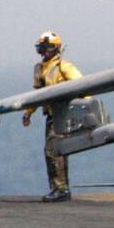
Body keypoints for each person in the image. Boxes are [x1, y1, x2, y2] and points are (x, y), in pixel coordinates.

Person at [22, 31, 83, 202]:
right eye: (42, 48)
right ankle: (60, 188)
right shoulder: (40, 69)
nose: (45, 51)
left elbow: (82, 86)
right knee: (55, 151)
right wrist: (28, 112)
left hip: (63, 115)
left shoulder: (64, 66)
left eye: (48, 47)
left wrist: (83, 109)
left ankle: (61, 189)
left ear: (56, 48)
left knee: (54, 151)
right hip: (51, 115)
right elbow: (38, 94)